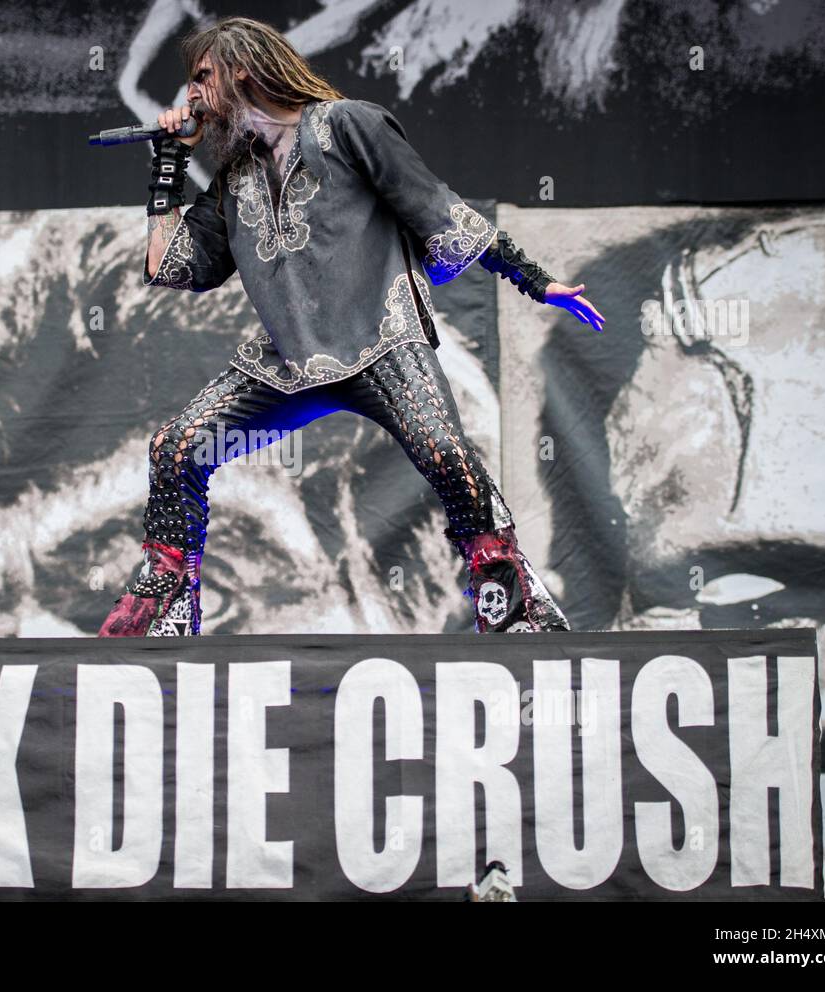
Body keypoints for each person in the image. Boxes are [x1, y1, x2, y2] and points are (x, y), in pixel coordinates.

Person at [100, 16, 605, 637]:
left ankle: (511, 602)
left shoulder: (348, 124)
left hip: (382, 341)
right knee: (177, 448)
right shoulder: (235, 176)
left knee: (448, 455)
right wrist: (167, 164)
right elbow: (171, 267)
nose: (192, 94)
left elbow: (440, 209)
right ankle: (172, 600)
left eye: (202, 76)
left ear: (242, 69)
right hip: (288, 365)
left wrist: (534, 279)